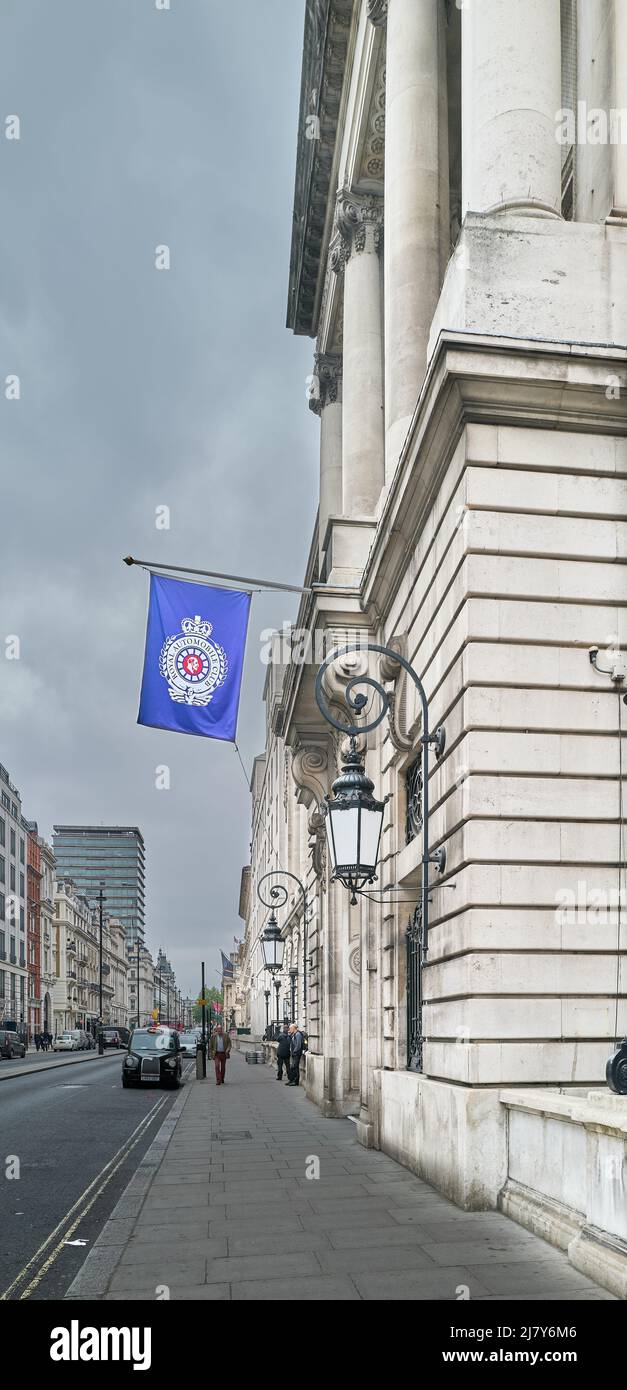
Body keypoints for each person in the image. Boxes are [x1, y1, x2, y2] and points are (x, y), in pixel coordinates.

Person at [287, 1022, 304, 1087]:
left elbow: (298, 1045)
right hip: (294, 1053)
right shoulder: (294, 1034)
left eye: (290, 1028)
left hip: (296, 1053)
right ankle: (292, 1081)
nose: (289, 1030)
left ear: (293, 1028)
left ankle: (295, 1081)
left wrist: (294, 1051)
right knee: (294, 1067)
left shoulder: (298, 1035)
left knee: (294, 1067)